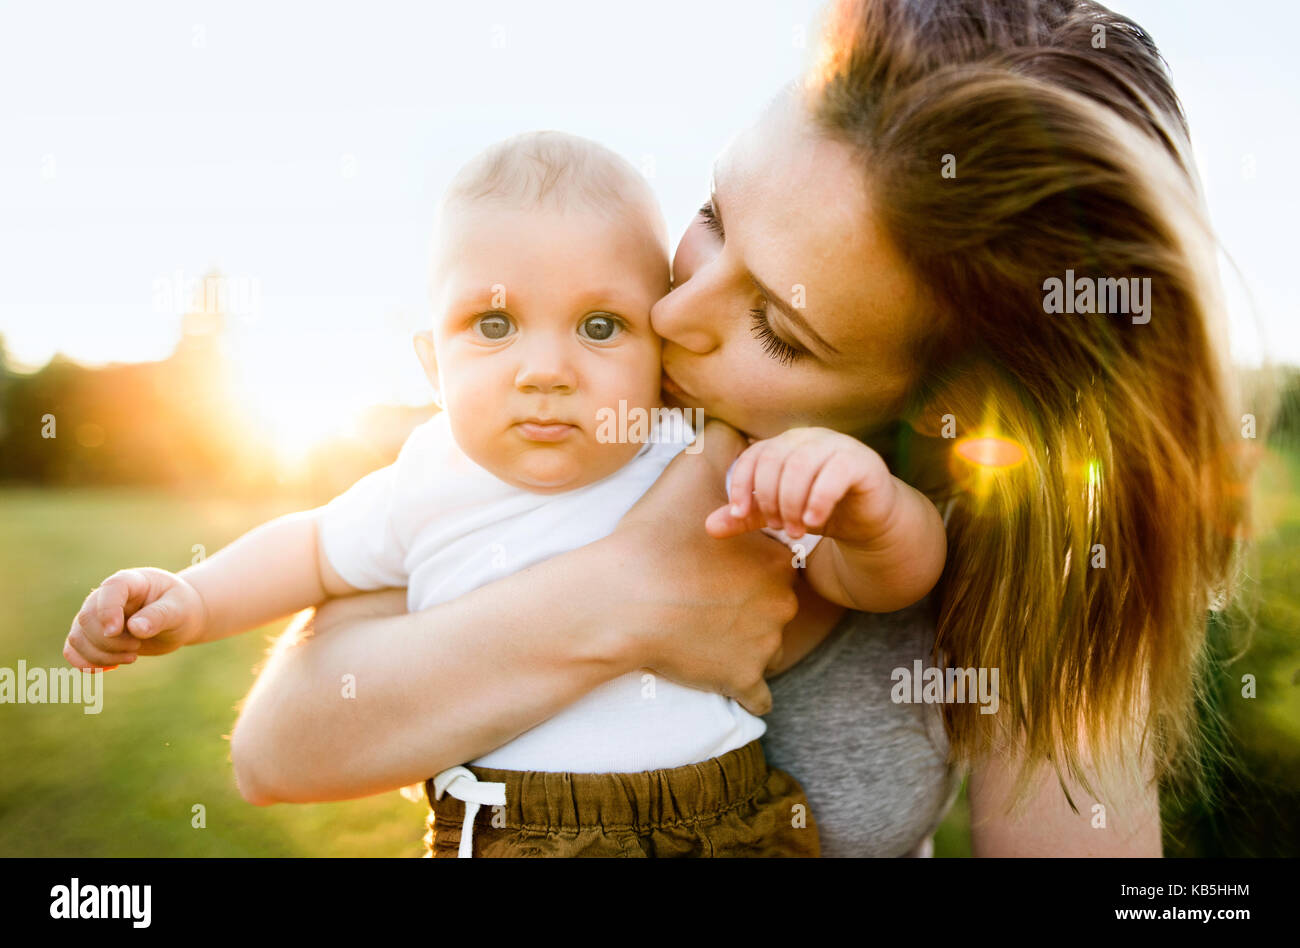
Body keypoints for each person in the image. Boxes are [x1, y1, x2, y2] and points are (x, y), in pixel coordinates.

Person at [228, 0, 1252, 857]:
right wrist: (632, 594)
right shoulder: (556, 410)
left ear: (944, 403)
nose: (672, 316)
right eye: (715, 214)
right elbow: (281, 750)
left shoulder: (1023, 559)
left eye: (776, 324)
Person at [63, 129, 946, 857]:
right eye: (494, 325)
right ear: (429, 362)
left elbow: (874, 582)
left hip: (723, 826)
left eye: (601, 326)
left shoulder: (700, 453)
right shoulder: (427, 480)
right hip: (513, 830)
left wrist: (873, 513)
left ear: (659, 347)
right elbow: (306, 548)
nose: (546, 372)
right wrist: (189, 598)